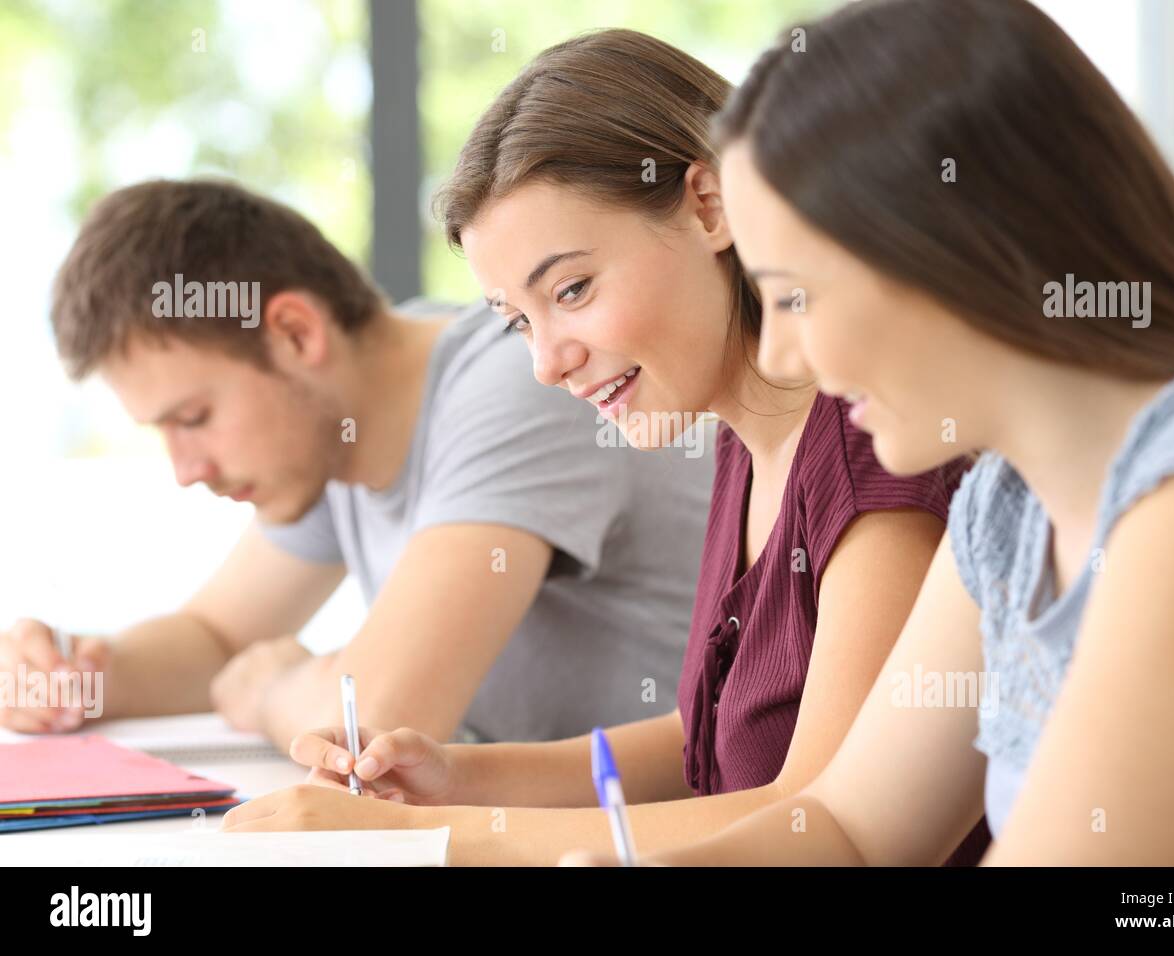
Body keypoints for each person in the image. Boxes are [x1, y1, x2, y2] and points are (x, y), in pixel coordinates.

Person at [221, 28, 989, 867]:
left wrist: (419, 839)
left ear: (709, 205)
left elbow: (808, 816)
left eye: (573, 290)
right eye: (519, 321)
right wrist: (457, 779)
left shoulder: (869, 446)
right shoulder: (742, 438)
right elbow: (704, 745)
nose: (548, 364)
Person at [571, 0, 1174, 866]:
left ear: (948, 251)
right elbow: (852, 829)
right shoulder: (1005, 506)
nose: (780, 349)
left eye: (797, 295)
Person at [0, 179, 714, 751]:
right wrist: (70, 672)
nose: (186, 469)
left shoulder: (518, 382)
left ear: (294, 333)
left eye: (193, 419)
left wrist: (277, 687)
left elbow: (374, 723)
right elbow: (214, 639)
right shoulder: (332, 443)